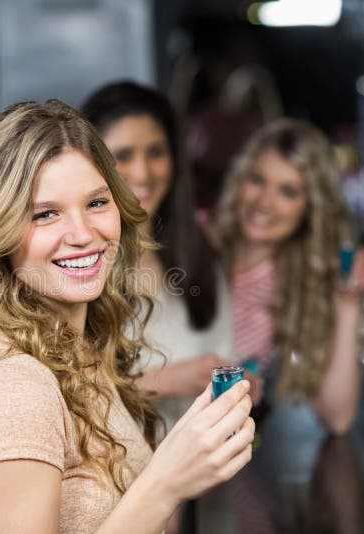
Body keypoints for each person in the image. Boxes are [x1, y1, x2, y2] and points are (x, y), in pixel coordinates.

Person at [0, 99, 255, 533]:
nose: (82, 235)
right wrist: (166, 484)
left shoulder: (77, 352)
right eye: (45, 214)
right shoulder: (9, 385)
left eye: (96, 202)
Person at [80, 81, 264, 429]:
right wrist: (164, 382)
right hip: (113, 478)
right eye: (123, 156)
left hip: (200, 471)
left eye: (155, 153)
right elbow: (60, 401)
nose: (143, 173)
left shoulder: (199, 252)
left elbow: (226, 357)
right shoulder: (75, 263)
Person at [213, 118, 364, 435]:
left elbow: (337, 417)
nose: (264, 202)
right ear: (239, 179)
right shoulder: (192, 241)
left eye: (288, 191)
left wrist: (348, 304)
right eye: (257, 179)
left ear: (311, 208)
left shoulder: (293, 286)